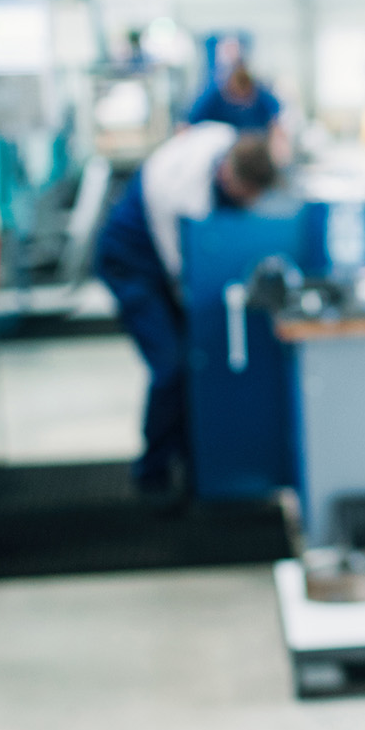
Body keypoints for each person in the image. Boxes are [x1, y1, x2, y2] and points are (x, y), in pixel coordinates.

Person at [94, 124, 277, 505]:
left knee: (194, 363)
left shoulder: (225, 138)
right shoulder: (184, 195)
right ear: (228, 176)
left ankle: (195, 464)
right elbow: (182, 274)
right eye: (246, 196)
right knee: (172, 365)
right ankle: (153, 473)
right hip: (132, 262)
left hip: (167, 262)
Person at [188, 38, 281, 133]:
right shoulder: (213, 97)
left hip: (257, 141)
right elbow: (190, 122)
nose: (241, 95)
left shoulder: (263, 96)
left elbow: (277, 119)